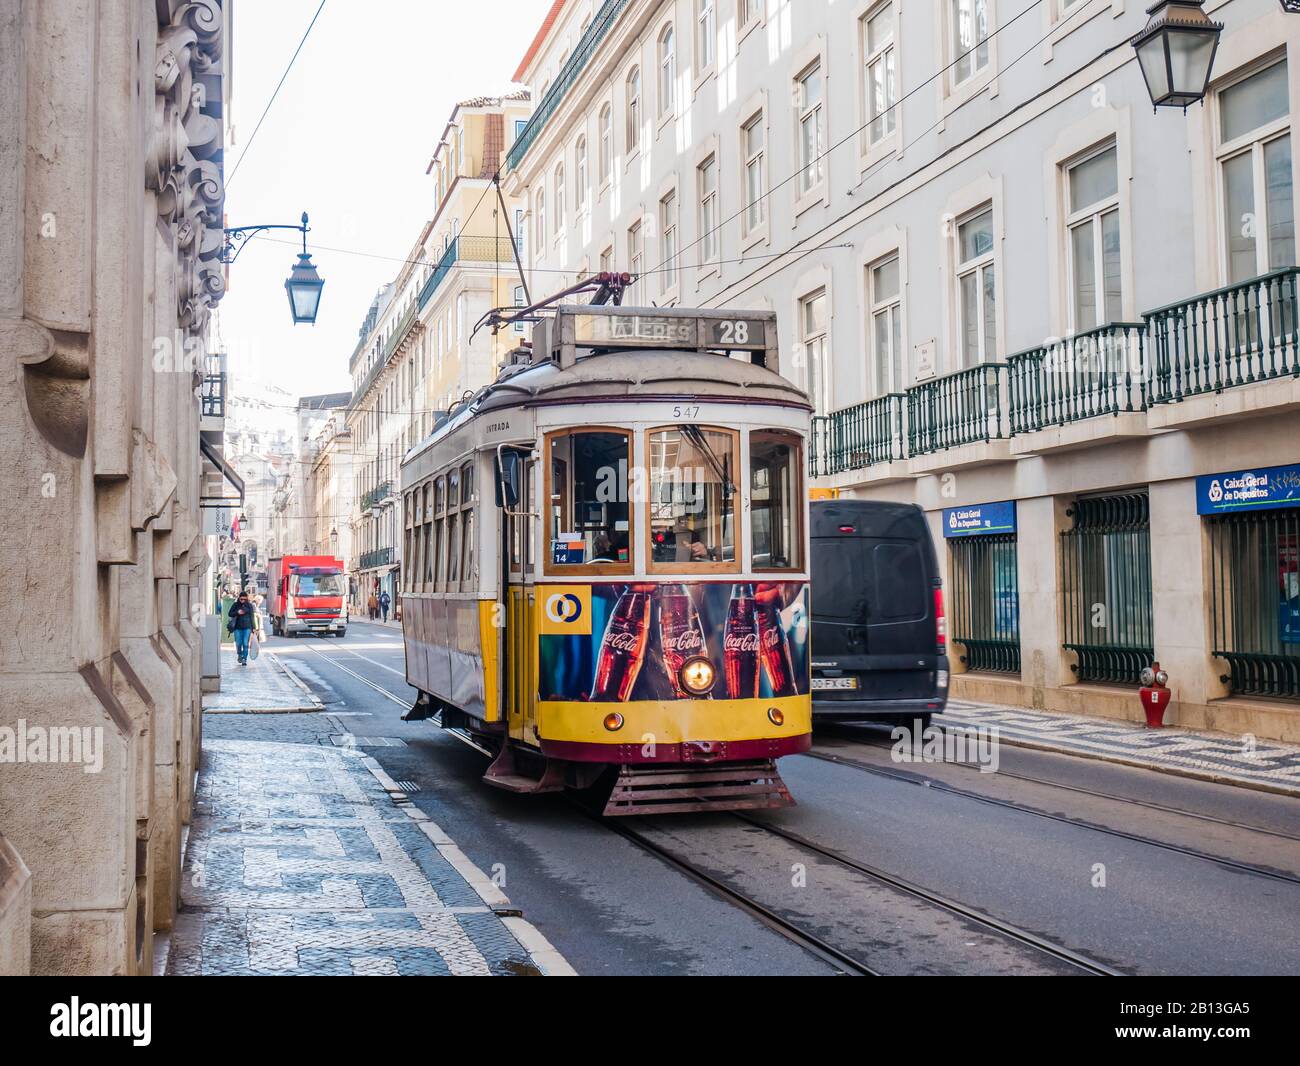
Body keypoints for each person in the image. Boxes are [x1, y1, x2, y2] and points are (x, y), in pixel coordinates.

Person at [226, 591, 256, 666]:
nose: (242, 601)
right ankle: (239, 654)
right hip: (237, 627)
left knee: (245, 644)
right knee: (238, 643)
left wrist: (254, 628)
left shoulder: (249, 606)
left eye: (244, 599)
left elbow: (252, 617)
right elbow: (230, 613)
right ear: (239, 598)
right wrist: (237, 612)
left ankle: (244, 659)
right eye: (241, 599)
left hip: (247, 627)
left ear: (247, 599)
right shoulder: (235, 605)